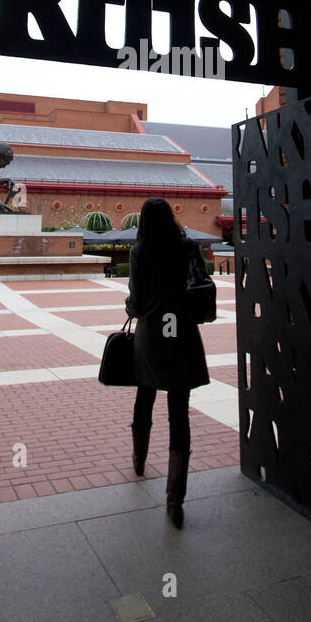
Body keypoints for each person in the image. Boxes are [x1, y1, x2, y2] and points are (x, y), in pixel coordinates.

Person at [124, 197, 210, 527]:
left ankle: (139, 459)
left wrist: (130, 306)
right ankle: (175, 501)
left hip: (152, 334)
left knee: (144, 394)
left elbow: (139, 299)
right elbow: (198, 284)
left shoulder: (140, 251)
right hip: (182, 333)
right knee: (179, 412)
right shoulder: (187, 245)